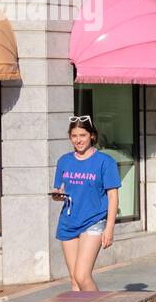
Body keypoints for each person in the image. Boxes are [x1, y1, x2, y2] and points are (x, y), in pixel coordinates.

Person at [51, 116, 121, 291]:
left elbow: (113, 196)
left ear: (92, 136)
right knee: (74, 279)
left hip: (93, 221)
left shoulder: (105, 162)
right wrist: (57, 195)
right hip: (68, 222)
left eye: (82, 135)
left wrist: (109, 228)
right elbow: (59, 190)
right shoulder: (64, 161)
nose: (78, 140)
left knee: (82, 275)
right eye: (74, 136)